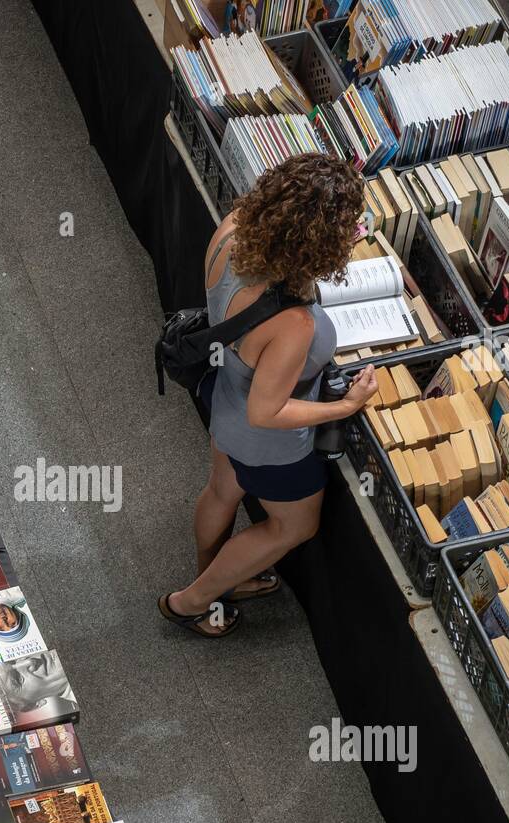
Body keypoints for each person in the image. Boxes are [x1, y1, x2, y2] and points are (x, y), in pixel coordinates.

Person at [161, 155, 378, 638]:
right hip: (267, 442)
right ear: (319, 243)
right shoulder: (293, 324)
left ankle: (213, 574)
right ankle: (192, 600)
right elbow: (268, 410)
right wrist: (344, 406)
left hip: (224, 398)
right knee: (294, 526)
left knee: (221, 490)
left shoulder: (234, 229)